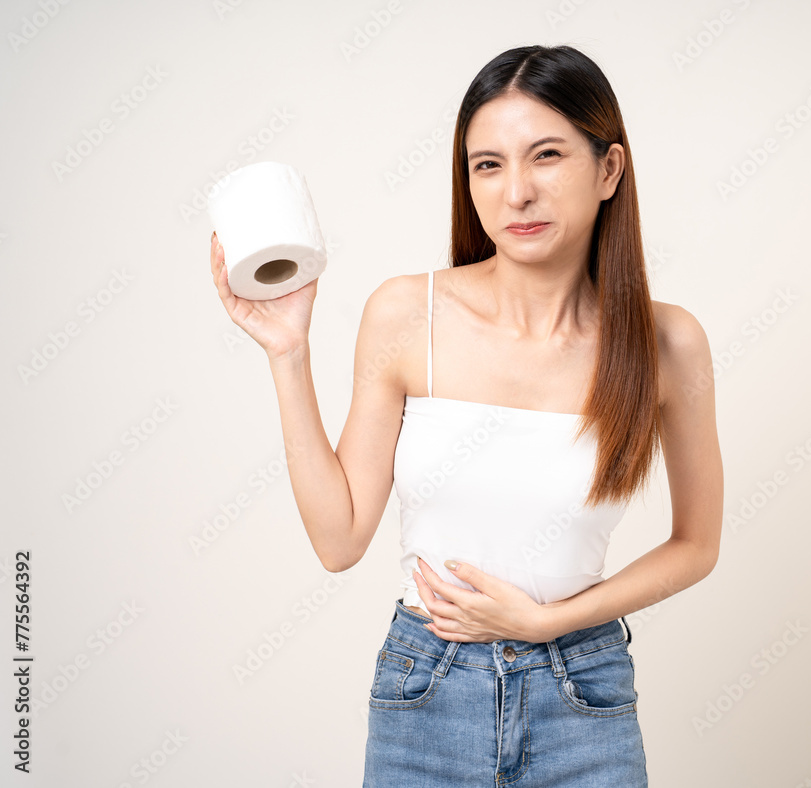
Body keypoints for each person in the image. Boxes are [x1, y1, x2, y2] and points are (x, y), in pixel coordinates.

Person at [210, 43, 722, 788]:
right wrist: (287, 355)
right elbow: (338, 538)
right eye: (488, 164)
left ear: (609, 169)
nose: (516, 192)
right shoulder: (404, 313)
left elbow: (697, 545)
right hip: (428, 692)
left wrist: (548, 623)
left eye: (545, 155)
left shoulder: (668, 343)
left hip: (582, 691)